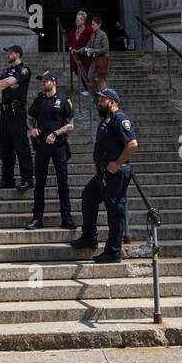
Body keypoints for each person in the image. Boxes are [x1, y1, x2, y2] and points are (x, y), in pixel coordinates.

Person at [70, 88, 138, 263]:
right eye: (99, 100)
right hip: (102, 173)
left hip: (115, 173)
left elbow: (132, 144)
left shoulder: (120, 119)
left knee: (115, 211)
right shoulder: (105, 121)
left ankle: (113, 251)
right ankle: (89, 237)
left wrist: (118, 163)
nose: (98, 103)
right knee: (88, 197)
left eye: (102, 100)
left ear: (112, 102)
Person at [27, 71, 77, 230]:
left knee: (63, 182)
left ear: (53, 82)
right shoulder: (39, 99)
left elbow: (71, 125)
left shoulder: (63, 100)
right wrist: (32, 129)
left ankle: (66, 218)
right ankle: (37, 218)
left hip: (59, 146)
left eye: (45, 80)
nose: (42, 83)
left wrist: (56, 133)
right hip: (41, 146)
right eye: (41, 81)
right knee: (39, 183)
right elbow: (29, 119)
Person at [0, 45, 33, 191]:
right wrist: (5, 82)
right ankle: (7, 179)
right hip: (5, 112)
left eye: (10, 52)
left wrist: (7, 82)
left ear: (17, 54)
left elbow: (8, 83)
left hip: (17, 111)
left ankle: (27, 179)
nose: (8, 54)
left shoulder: (24, 70)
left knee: (21, 146)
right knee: (6, 147)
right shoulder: (6, 71)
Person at [67, 10, 92, 92]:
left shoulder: (89, 30)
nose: (76, 22)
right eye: (76, 20)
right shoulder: (73, 31)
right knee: (79, 72)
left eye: (78, 20)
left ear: (83, 21)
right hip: (76, 56)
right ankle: (86, 88)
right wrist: (70, 48)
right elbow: (70, 41)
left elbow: (90, 42)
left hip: (86, 56)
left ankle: (89, 89)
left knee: (86, 72)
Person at [86, 13, 110, 93]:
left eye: (93, 24)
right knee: (90, 76)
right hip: (95, 59)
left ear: (99, 25)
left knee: (101, 78)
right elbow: (88, 45)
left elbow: (106, 48)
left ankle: (105, 95)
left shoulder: (103, 35)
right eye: (92, 24)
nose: (92, 26)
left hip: (103, 58)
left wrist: (94, 50)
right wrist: (78, 50)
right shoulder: (92, 35)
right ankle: (97, 92)